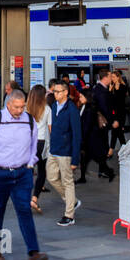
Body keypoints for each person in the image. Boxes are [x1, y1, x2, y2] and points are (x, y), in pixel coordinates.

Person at [0, 86, 48, 260]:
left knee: (24, 210)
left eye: (22, 106)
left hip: (22, 173)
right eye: (16, 107)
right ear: (9, 104)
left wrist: (31, 162)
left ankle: (33, 252)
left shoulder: (29, 121)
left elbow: (34, 144)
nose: (20, 110)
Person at [47, 77, 82, 226]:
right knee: (52, 178)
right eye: (54, 91)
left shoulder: (72, 109)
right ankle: (72, 201)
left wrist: (75, 159)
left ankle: (69, 215)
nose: (56, 94)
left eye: (59, 92)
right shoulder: (54, 106)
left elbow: (77, 134)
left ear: (66, 92)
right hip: (54, 150)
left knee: (68, 182)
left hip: (66, 152)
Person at [26, 85, 50, 213]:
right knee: (42, 171)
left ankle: (25, 199)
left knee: (28, 171)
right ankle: (34, 198)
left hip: (29, 142)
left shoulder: (26, 109)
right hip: (42, 142)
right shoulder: (47, 109)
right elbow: (50, 128)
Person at [88, 71, 116, 181]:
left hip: (99, 123)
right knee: (103, 145)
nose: (111, 79)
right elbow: (105, 107)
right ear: (105, 77)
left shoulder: (99, 88)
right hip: (100, 123)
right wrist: (112, 120)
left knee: (103, 145)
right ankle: (103, 169)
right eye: (110, 76)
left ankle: (103, 169)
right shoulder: (101, 90)